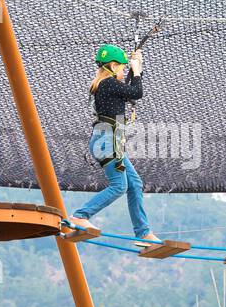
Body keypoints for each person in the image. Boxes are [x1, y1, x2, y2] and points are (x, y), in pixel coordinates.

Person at [67, 43, 162, 243]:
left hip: (109, 141)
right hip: (107, 141)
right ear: (112, 65)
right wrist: (136, 71)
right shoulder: (108, 84)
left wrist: (138, 69)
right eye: (121, 67)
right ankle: (80, 216)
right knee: (119, 185)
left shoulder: (105, 85)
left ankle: (143, 233)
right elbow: (136, 92)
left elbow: (129, 91)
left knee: (134, 184)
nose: (123, 70)